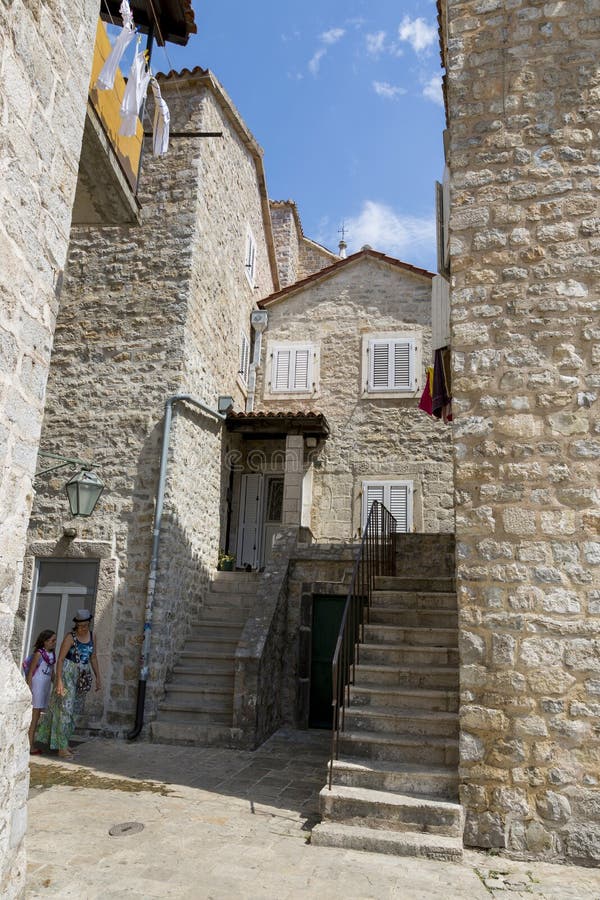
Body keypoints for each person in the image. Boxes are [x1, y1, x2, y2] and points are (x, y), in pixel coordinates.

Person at [36, 609, 102, 759]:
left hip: (82, 678)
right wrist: (59, 681)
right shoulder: (70, 637)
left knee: (74, 711)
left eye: (85, 625)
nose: (83, 628)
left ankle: (64, 742)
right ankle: (61, 747)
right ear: (76, 625)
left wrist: (98, 677)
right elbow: (60, 660)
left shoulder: (92, 636)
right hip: (67, 675)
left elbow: (93, 657)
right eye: (80, 626)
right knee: (65, 710)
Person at [26, 630, 57, 754]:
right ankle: (29, 746)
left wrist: (57, 684)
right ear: (45, 641)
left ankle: (30, 743)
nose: (54, 643)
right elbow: (31, 672)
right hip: (37, 686)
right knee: (34, 717)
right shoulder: (38, 654)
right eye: (52, 640)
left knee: (37, 717)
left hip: (45, 687)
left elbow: (52, 672)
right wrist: (29, 689)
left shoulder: (52, 654)